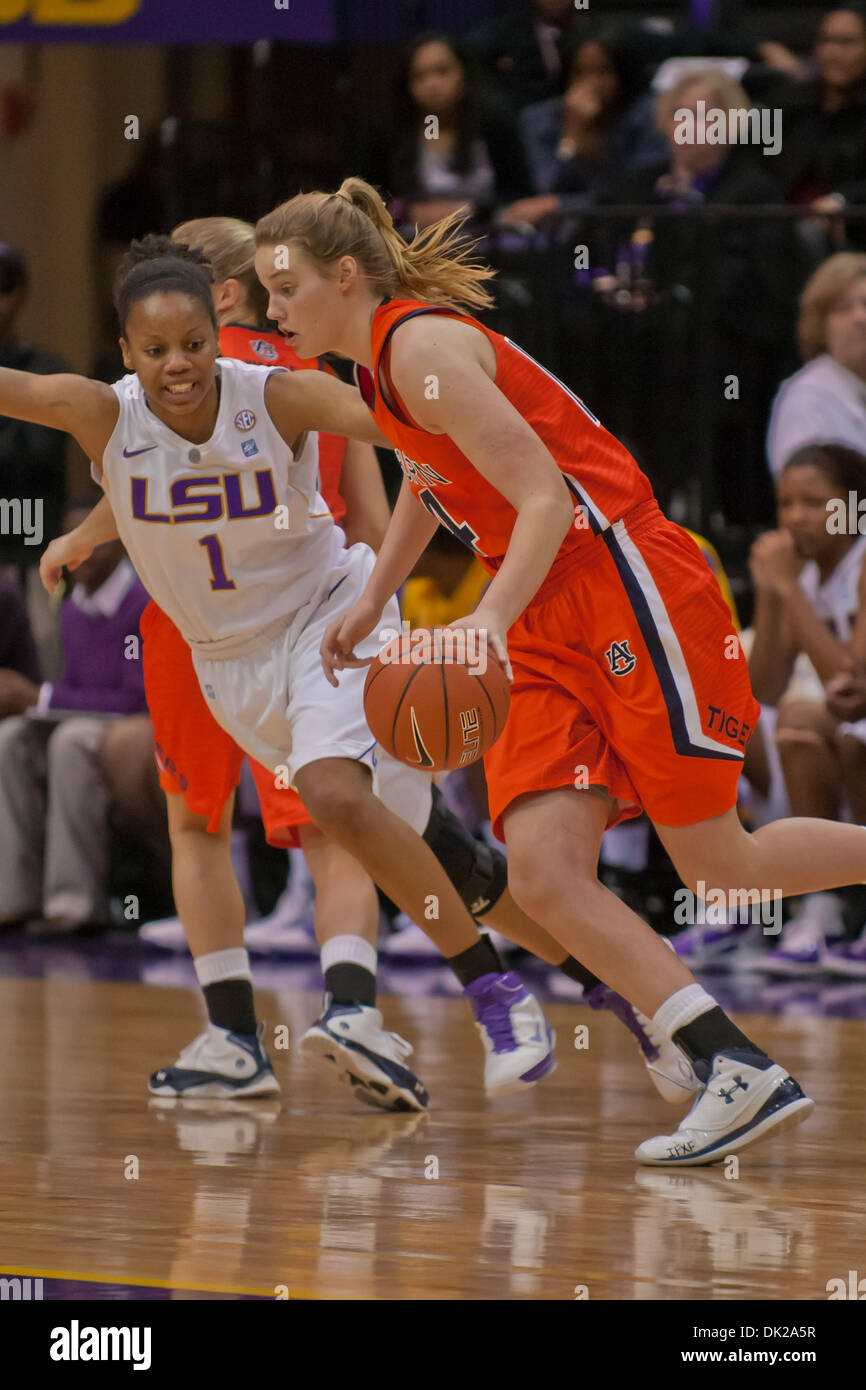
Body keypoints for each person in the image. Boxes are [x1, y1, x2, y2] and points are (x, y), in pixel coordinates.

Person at [250, 176, 866, 1167]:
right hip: (534, 609)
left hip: (620, 580)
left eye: (283, 288)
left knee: (717, 861)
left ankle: (724, 1054)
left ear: (347, 275)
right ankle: (728, 1060)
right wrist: (376, 596)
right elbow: (431, 470)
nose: (272, 309)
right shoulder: (375, 370)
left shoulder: (422, 348)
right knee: (537, 873)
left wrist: (485, 620)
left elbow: (543, 498)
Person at [42, 232, 697, 1112]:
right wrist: (87, 534)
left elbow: (417, 421)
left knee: (332, 796)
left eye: (194, 343)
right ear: (126, 353)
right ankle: (618, 983)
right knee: (439, 853)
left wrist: (511, 439)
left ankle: (489, 994)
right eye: (156, 351)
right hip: (230, 668)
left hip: (330, 621)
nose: (179, 364)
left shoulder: (276, 394)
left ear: (219, 325)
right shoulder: (107, 415)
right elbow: (133, 474)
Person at [0, 500, 149, 934]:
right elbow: (75, 691)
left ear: (121, 544)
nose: (78, 556)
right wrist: (41, 705)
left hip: (133, 731)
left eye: (92, 542)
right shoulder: (71, 607)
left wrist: (40, 697)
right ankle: (14, 897)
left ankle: (75, 903)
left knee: (70, 742)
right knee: (11, 739)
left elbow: (137, 701)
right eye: (70, 543)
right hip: (87, 723)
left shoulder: (141, 603)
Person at [748, 444, 866, 975]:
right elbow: (766, 690)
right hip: (852, 723)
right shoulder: (807, 574)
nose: (795, 516)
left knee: (850, 735)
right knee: (793, 720)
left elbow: (849, 677)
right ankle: (821, 904)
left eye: (814, 502)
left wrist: (789, 587)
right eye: (786, 502)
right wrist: (774, 593)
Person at [361, 32, 531, 234]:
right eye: (419, 76)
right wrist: (406, 211)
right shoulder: (389, 130)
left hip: (491, 239)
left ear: (463, 73)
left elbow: (521, 194)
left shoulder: (494, 122)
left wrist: (469, 211)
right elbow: (366, 196)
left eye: (442, 72)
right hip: (410, 244)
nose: (432, 85)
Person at [502, 31, 666, 225]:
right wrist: (572, 133)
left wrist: (563, 204)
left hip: (629, 225)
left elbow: (634, 194)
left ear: (622, 74)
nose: (590, 84)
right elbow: (547, 189)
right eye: (579, 73)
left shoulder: (647, 116)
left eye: (602, 72)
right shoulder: (539, 119)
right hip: (558, 231)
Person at [766, 253, 866, 480]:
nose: (860, 318)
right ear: (820, 325)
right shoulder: (806, 399)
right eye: (843, 309)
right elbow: (810, 497)